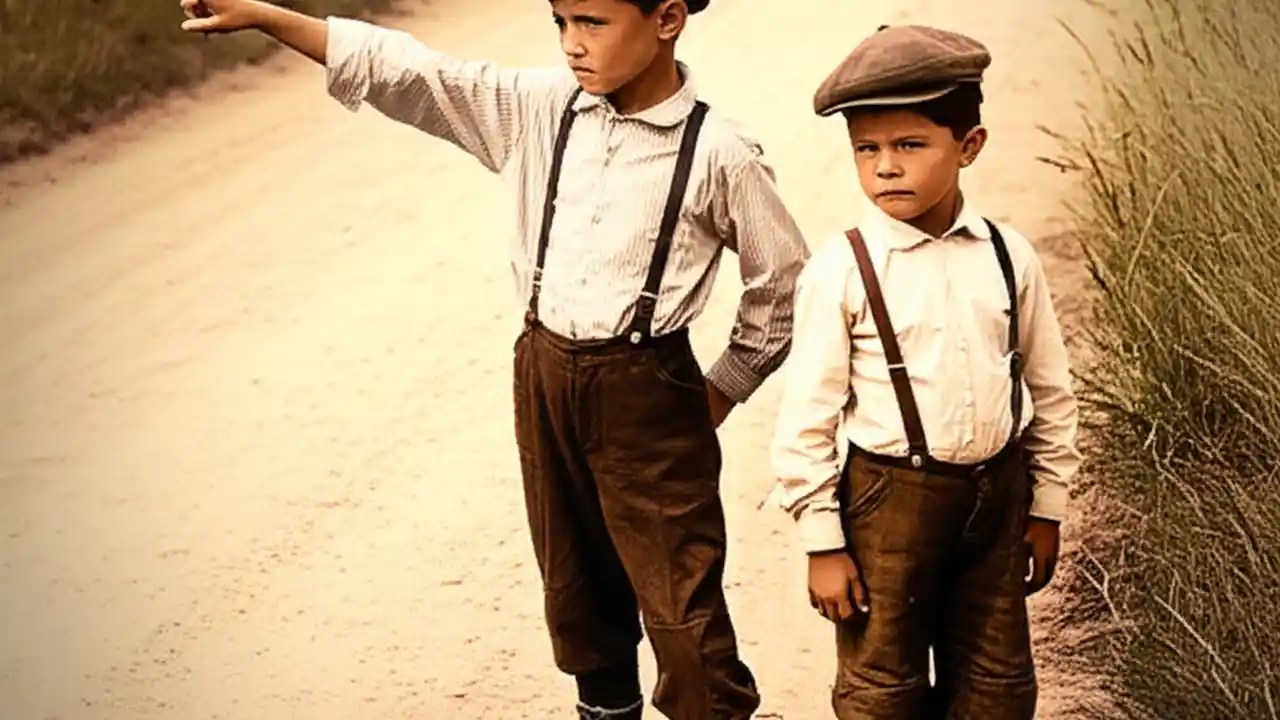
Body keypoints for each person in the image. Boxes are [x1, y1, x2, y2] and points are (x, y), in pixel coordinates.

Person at [178, 1, 811, 718]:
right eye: (561, 21)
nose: (573, 44)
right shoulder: (538, 109)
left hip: (648, 389)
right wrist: (268, 17)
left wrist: (720, 390)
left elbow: (784, 284)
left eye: (593, 23)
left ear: (666, 19)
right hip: (543, 371)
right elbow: (412, 72)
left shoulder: (718, 151)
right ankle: (605, 708)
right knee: (574, 585)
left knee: (678, 595)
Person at [769, 23, 1082, 720]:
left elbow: (1051, 392)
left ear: (968, 146)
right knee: (883, 689)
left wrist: (1047, 507)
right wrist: (823, 540)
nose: (885, 167)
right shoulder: (842, 268)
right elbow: (807, 420)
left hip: (996, 496)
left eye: (910, 145)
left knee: (997, 686)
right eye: (867, 149)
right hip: (888, 506)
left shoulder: (1009, 256)